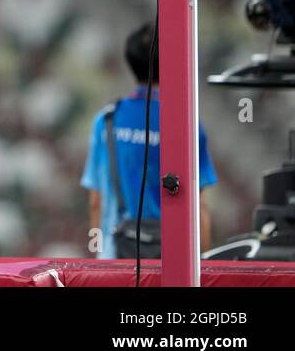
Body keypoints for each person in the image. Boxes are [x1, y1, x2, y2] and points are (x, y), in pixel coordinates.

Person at [81, 21, 216, 258]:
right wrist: (201, 266)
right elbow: (199, 207)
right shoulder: (187, 125)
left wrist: (99, 261)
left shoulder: (107, 120)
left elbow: (96, 200)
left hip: (116, 259)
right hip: (172, 262)